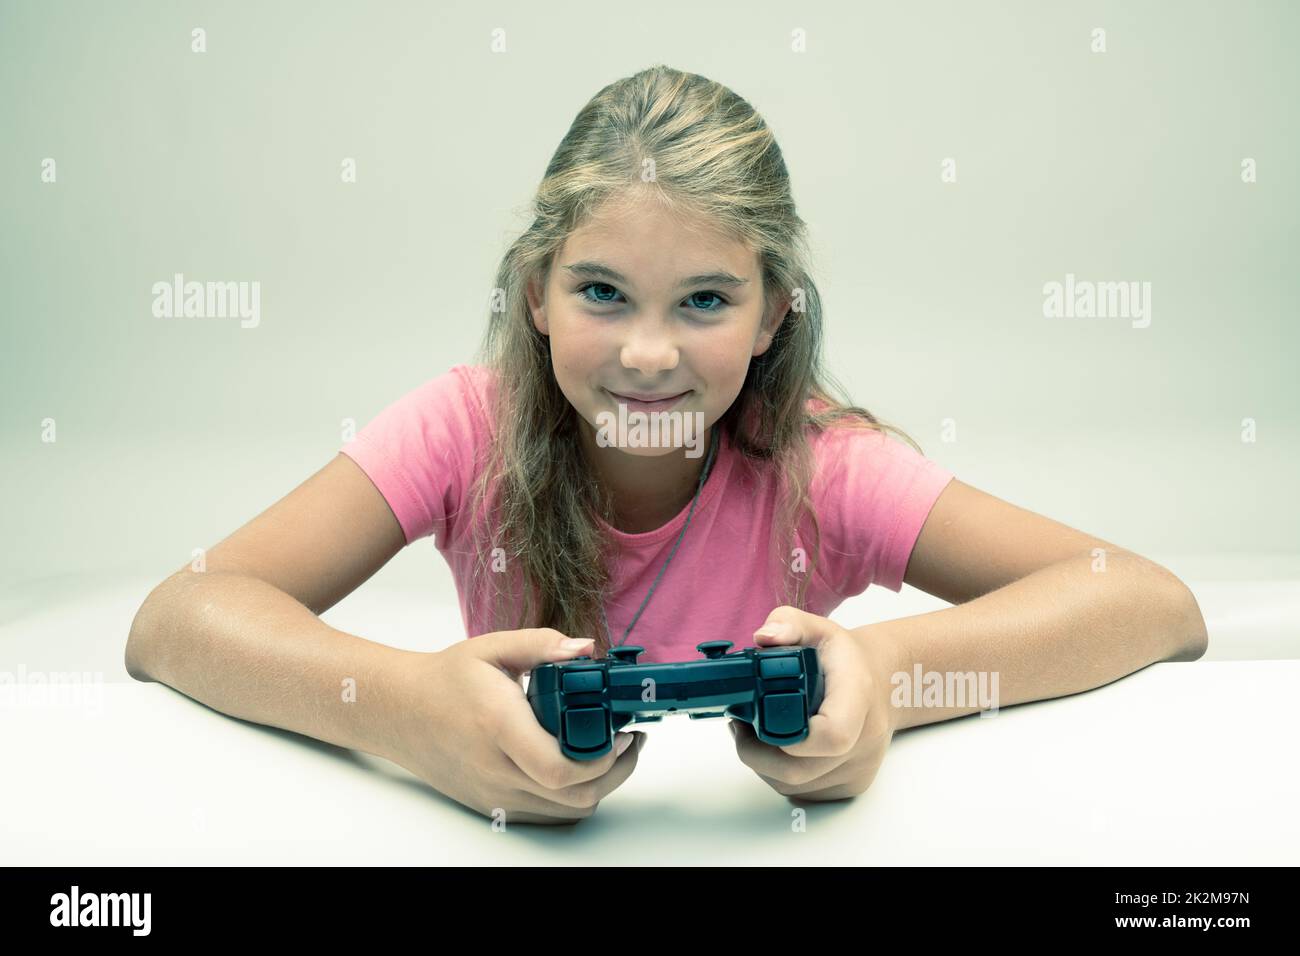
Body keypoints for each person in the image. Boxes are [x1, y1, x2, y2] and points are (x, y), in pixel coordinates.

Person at [125, 64, 1208, 827]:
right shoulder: (468, 424)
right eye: (602, 291)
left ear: (775, 311)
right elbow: (179, 618)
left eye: (703, 299)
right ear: (534, 293)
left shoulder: (818, 462)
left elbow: (1151, 602)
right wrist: (406, 709)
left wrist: (886, 675)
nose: (648, 354)